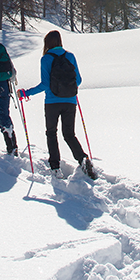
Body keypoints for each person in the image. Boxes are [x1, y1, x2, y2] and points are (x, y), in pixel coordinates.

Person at [18, 30, 97, 179]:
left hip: (52, 102)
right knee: (69, 134)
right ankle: (83, 159)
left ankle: (55, 167)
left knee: (51, 133)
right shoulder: (70, 56)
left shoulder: (46, 59)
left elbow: (45, 84)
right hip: (70, 101)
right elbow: (78, 80)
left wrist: (26, 93)